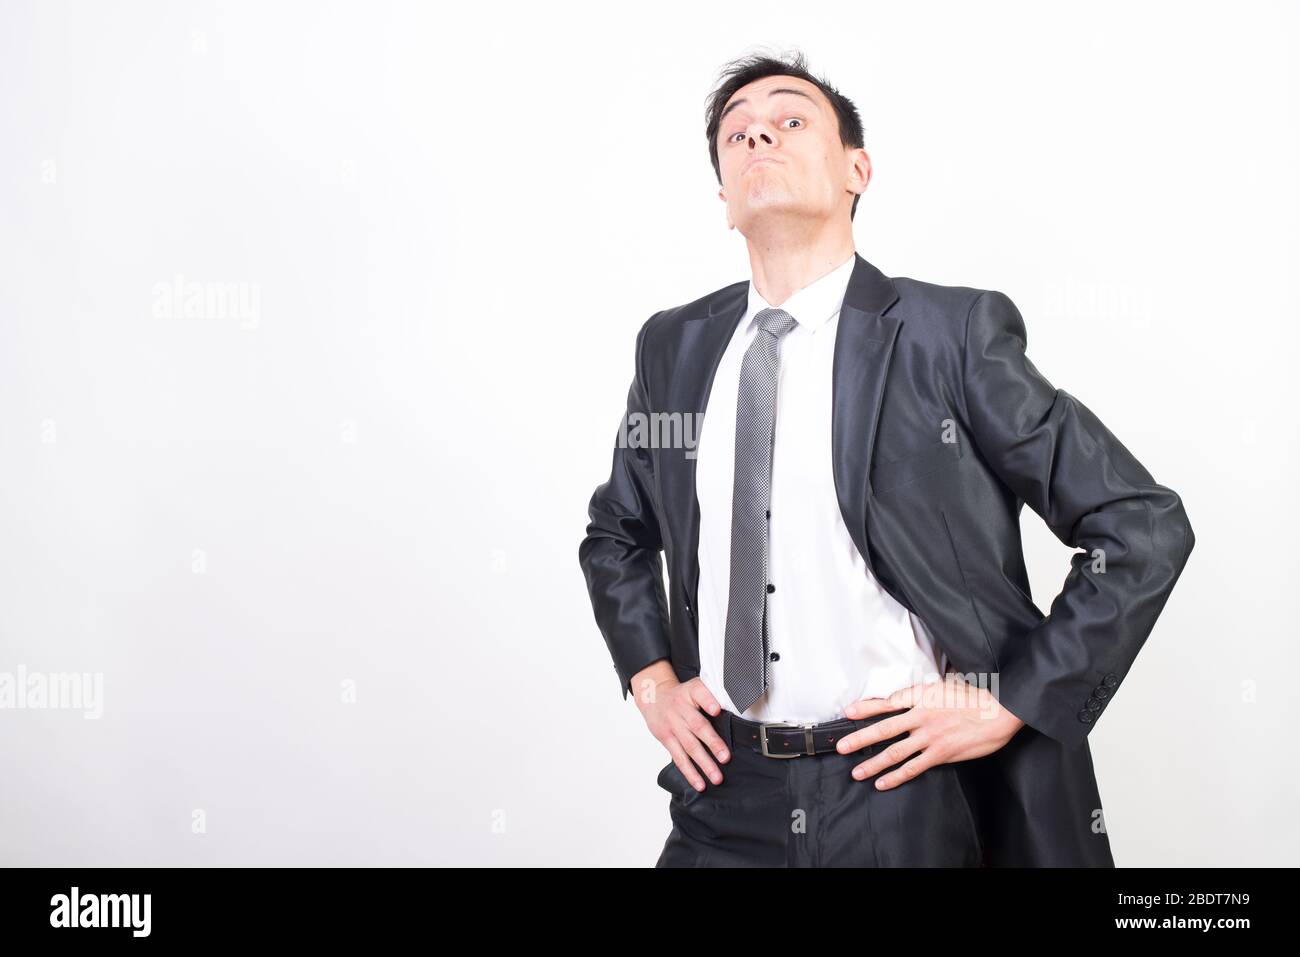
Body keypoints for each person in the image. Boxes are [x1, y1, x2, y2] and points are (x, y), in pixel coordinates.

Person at [577, 51, 1195, 867]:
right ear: (724, 199)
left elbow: (1140, 525)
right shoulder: (674, 346)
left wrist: (1011, 700)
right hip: (723, 792)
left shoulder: (950, 335)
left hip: (900, 790)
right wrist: (652, 678)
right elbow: (616, 532)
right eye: (737, 133)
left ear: (855, 170)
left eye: (791, 119)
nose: (758, 131)